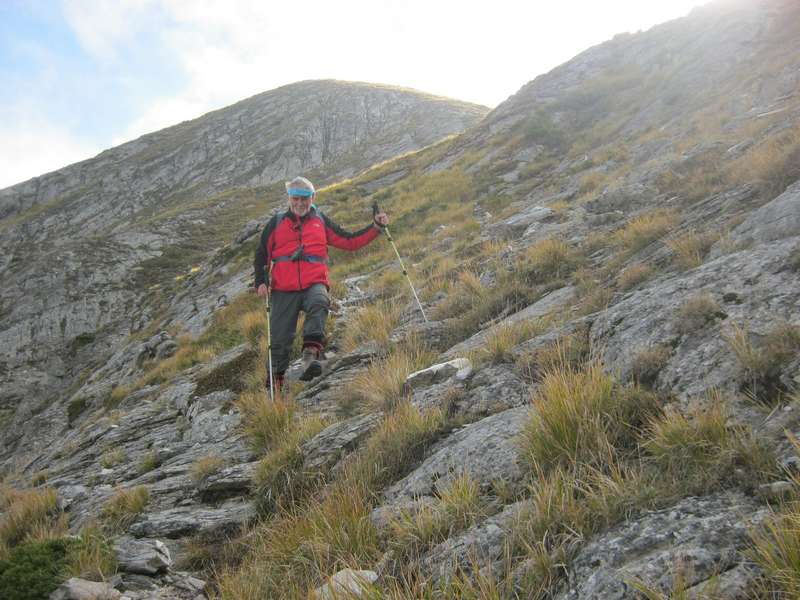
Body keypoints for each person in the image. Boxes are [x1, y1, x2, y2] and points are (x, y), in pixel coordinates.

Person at [254, 176, 389, 392]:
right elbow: (262, 253)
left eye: (305, 199)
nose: (300, 203)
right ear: (289, 198)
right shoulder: (277, 223)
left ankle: (310, 356)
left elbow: (349, 241)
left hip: (313, 282)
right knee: (279, 340)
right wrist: (260, 282)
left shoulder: (321, 220)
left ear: (313, 198)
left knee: (319, 300)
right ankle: (274, 388)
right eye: (296, 198)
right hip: (282, 288)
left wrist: (376, 227)